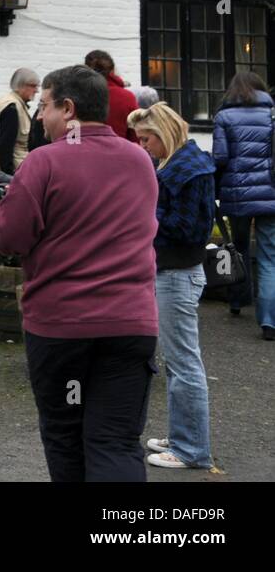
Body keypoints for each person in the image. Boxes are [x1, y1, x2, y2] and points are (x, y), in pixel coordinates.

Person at [0, 64, 159, 482]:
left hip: (63, 325)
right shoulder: (140, 160)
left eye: (44, 107)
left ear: (68, 108)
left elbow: (10, 239)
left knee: (66, 436)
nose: (39, 118)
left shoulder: (44, 163)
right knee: (115, 442)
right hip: (130, 323)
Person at [126, 103, 215, 470]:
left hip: (177, 274)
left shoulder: (187, 170)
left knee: (183, 364)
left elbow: (189, 229)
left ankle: (190, 448)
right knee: (179, 363)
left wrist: (143, 211)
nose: (144, 147)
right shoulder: (181, 164)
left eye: (146, 139)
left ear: (164, 133)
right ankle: (183, 436)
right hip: (175, 272)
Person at [212, 70, 275, 339]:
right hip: (270, 193)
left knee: (237, 247)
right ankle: (269, 321)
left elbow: (221, 157)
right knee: (269, 256)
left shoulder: (224, 117)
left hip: (237, 195)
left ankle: (237, 300)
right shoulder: (271, 115)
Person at [0, 67, 39, 175]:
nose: (37, 90)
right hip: (11, 173)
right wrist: (9, 175)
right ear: (21, 86)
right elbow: (5, 146)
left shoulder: (8, 103)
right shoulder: (12, 108)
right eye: (33, 85)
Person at [84, 50, 138, 141]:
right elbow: (135, 136)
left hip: (84, 152)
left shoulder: (77, 95)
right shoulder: (127, 97)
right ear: (112, 70)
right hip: (121, 152)